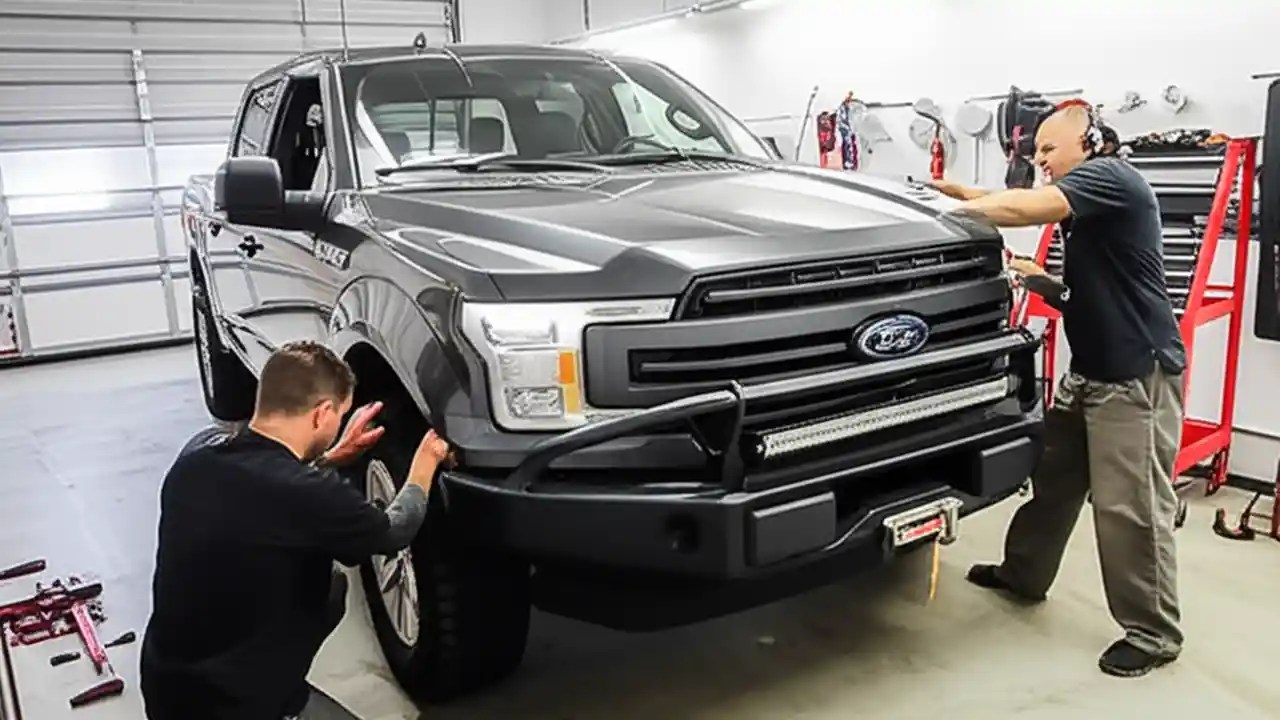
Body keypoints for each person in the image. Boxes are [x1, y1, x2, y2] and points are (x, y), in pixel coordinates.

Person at [931, 101, 1187, 678]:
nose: (1040, 160)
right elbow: (1086, 286)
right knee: (1052, 482)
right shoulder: (1091, 198)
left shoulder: (1110, 176)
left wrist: (946, 209)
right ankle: (1024, 576)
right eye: (1036, 151)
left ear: (1089, 140)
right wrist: (1031, 270)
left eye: (1048, 149)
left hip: (1134, 374)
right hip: (1090, 372)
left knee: (1131, 508)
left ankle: (1152, 633)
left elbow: (1023, 207)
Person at [140, 341, 450, 719]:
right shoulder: (311, 493)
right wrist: (425, 461)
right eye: (340, 415)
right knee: (331, 586)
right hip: (243, 708)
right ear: (321, 415)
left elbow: (268, 492)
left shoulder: (195, 457)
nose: (339, 425)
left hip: (167, 693)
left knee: (326, 588)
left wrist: (329, 459)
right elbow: (394, 531)